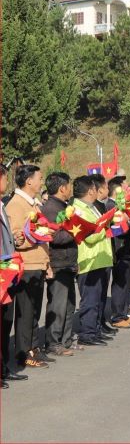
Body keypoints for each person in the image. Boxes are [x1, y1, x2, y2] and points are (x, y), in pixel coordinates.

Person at [6, 164, 52, 367]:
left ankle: (33, 347)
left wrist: (47, 262)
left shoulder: (33, 204)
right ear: (29, 181)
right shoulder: (16, 205)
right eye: (39, 178)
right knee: (25, 312)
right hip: (26, 265)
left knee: (34, 310)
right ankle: (23, 352)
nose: (41, 182)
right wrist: (36, 236)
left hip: (38, 263)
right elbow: (15, 238)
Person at [72, 176, 114, 347]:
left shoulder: (91, 207)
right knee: (89, 300)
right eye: (95, 189)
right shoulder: (78, 210)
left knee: (98, 299)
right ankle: (87, 333)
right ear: (90, 191)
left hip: (100, 259)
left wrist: (105, 225)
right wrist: (105, 227)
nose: (98, 191)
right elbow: (89, 236)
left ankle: (95, 330)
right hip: (89, 261)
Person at [41, 172, 77, 357]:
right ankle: (53, 343)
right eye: (69, 185)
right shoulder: (50, 209)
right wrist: (77, 231)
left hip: (68, 261)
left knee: (69, 304)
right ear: (62, 188)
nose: (70, 189)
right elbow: (54, 237)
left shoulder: (64, 206)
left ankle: (66, 340)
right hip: (58, 262)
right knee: (58, 305)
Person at [0, 164, 28, 386]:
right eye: (4, 177)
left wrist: (15, 239)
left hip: (8, 272)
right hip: (2, 271)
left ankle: (4, 368)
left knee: (5, 322)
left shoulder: (2, 204)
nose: (7, 181)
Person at [107, 176, 130, 328]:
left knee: (125, 282)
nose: (127, 190)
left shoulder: (122, 206)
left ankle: (123, 313)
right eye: (125, 188)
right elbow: (117, 230)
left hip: (126, 249)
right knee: (119, 283)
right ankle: (117, 316)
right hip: (119, 248)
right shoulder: (110, 206)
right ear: (117, 190)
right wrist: (126, 219)